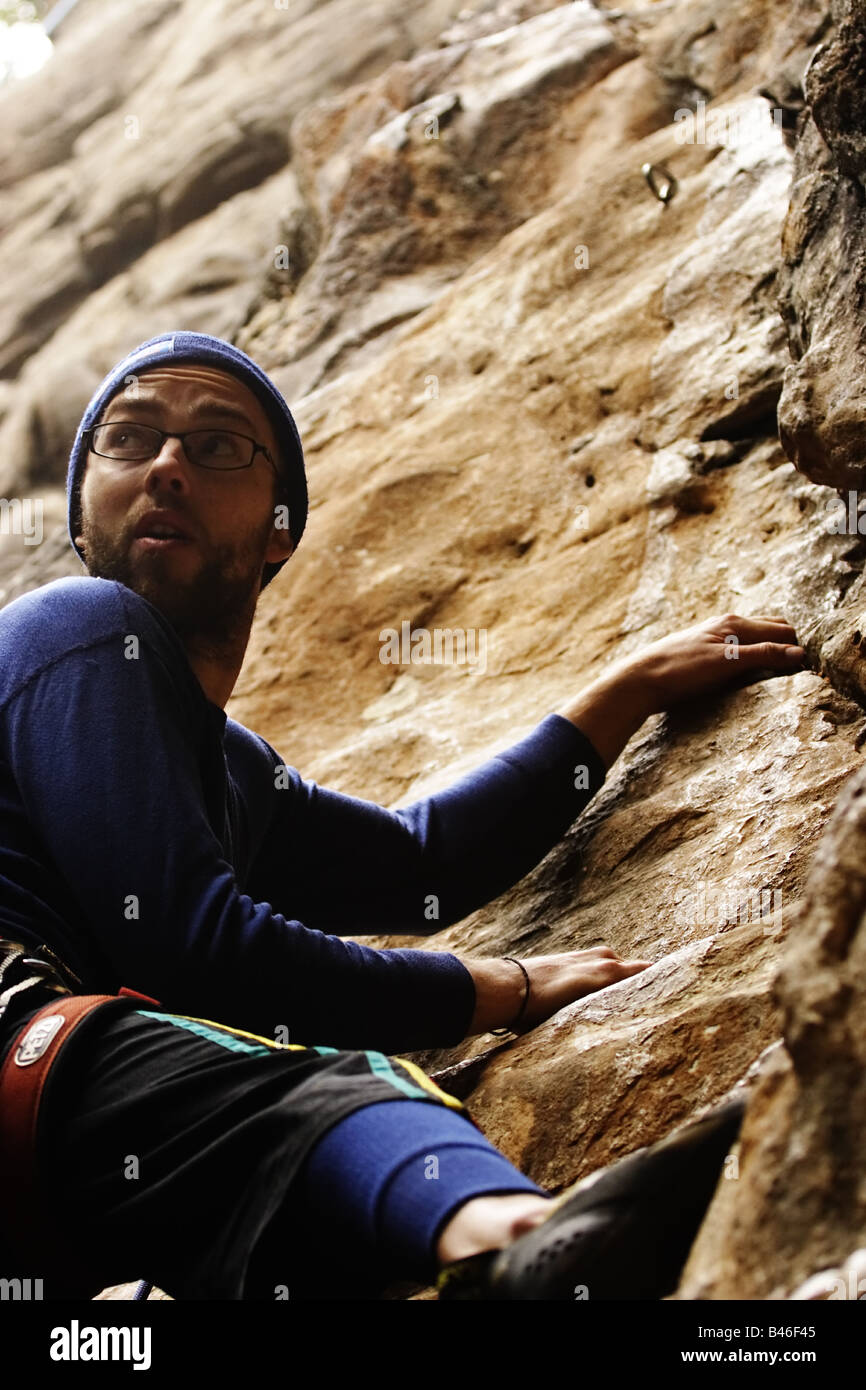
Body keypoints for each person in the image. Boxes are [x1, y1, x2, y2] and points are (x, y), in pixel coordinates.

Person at [0, 331, 807, 1300]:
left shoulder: (229, 770)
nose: (167, 465)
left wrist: (621, 696)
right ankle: (520, 1244)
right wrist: (494, 987)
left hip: (52, 1136)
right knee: (336, 1090)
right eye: (130, 440)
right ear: (83, 515)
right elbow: (194, 942)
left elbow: (419, 867)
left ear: (280, 528)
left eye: (216, 445)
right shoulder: (71, 625)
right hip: (27, 1043)